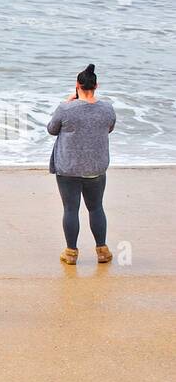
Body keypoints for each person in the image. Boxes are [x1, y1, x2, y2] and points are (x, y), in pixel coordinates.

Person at [47, 64, 115, 265]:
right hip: (96, 167)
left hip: (69, 168)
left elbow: (52, 129)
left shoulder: (66, 108)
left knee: (70, 209)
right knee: (96, 208)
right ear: (96, 85)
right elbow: (109, 128)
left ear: (77, 85)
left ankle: (71, 253)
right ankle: (102, 250)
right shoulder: (107, 109)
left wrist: (68, 102)